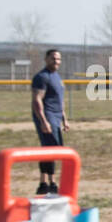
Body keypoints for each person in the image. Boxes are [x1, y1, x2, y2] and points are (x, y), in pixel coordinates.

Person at [30, 49, 70, 194]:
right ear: (46, 59)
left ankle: (49, 182)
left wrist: (64, 119)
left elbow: (60, 101)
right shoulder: (42, 77)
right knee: (50, 148)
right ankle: (46, 183)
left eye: (58, 59)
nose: (56, 61)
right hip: (47, 116)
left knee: (53, 149)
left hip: (56, 117)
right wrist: (43, 121)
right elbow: (37, 100)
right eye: (53, 58)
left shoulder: (57, 77)